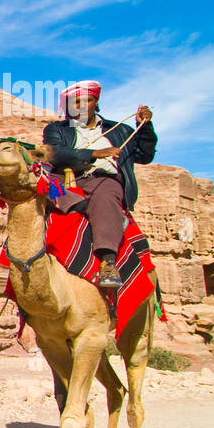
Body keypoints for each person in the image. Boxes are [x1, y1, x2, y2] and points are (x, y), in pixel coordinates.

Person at [41, 80, 156, 289]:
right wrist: (93, 154)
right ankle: (83, 207)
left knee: (104, 193)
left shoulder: (119, 131)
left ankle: (108, 261)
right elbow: (54, 153)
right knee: (41, 181)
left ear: (97, 102)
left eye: (88, 100)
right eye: (76, 102)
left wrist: (145, 128)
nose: (82, 106)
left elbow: (144, 156)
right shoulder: (56, 129)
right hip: (65, 180)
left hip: (101, 179)